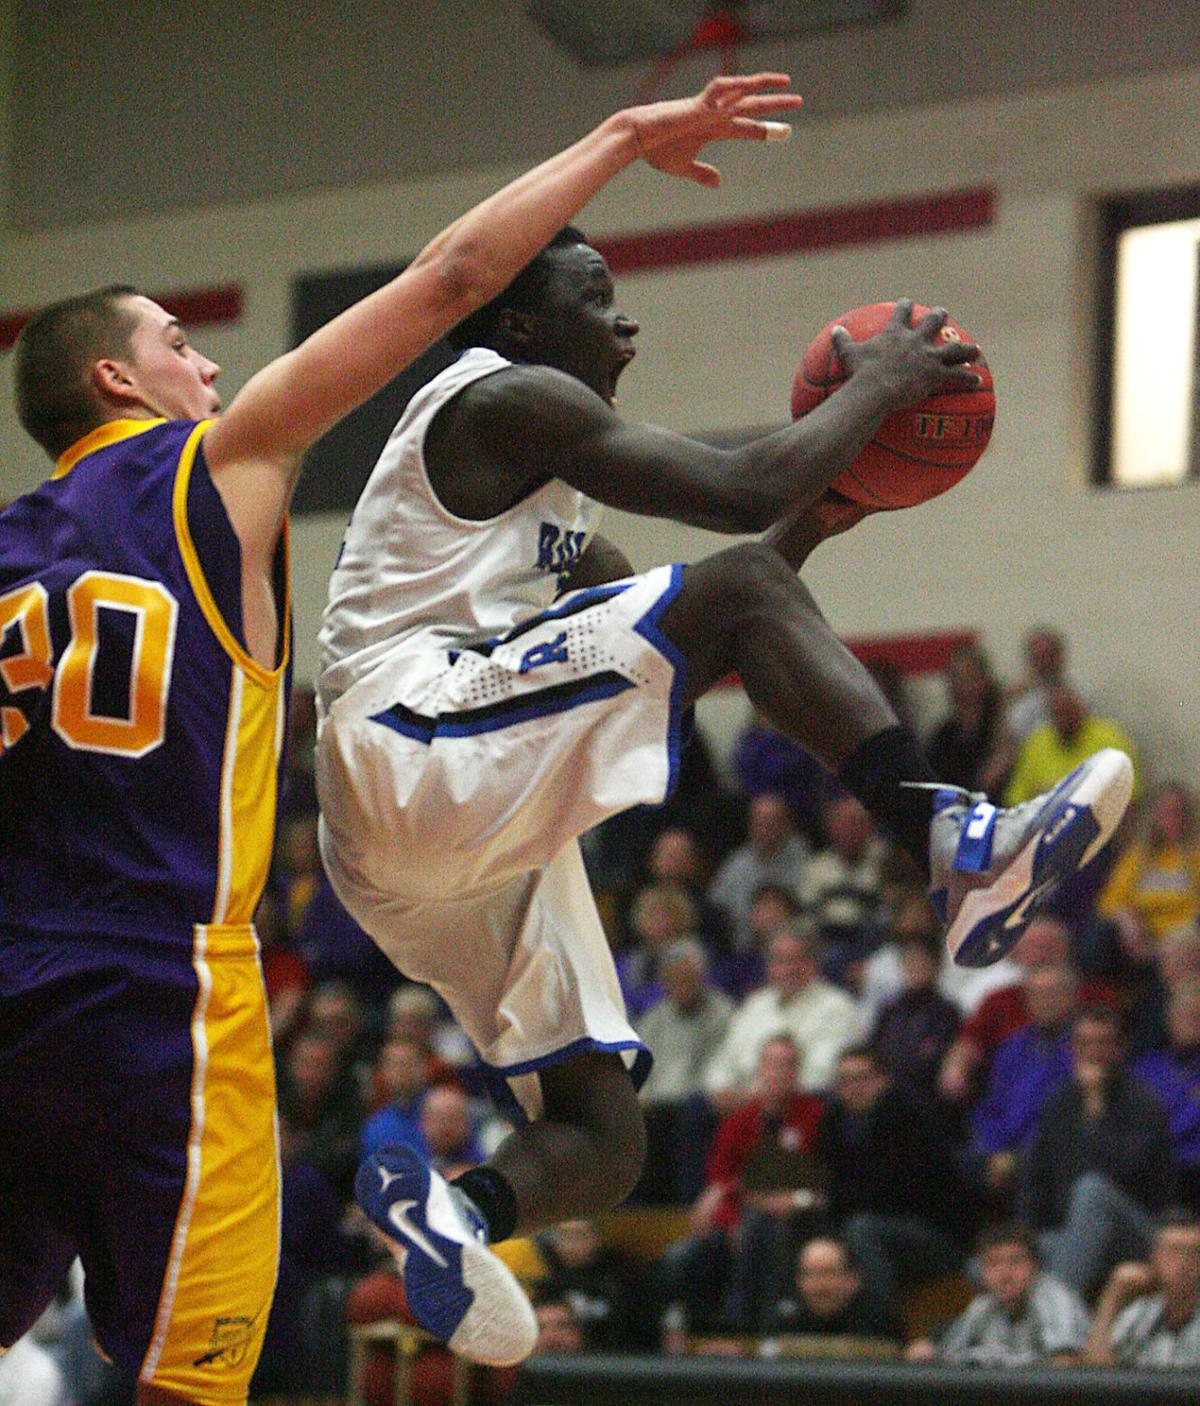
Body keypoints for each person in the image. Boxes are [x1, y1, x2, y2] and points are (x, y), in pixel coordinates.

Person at [0, 72, 809, 1406]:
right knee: (191, 1381)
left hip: (17, 992)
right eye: (174, 343)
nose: (206, 364)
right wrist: (615, 137)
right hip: (161, 997)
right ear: (115, 377)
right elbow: (449, 281)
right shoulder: (213, 468)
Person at [316, 204, 1134, 1367]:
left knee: (606, 1138)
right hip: (411, 737)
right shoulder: (501, 392)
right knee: (740, 579)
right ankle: (952, 839)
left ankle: (458, 1214)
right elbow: (742, 500)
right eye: (596, 297)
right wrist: (879, 387)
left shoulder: (546, 510)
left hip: (411, 836)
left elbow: (692, 623)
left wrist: (824, 511)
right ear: (518, 317)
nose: (625, 319)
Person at [1019, 1005, 1173, 1297]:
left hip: (1140, 1232)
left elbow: (1120, 1171)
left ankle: (1057, 1318)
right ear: (1072, 1048)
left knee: (1092, 1190)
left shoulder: (1144, 1103)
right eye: (1084, 1043)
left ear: (1119, 1048)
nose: (1093, 1052)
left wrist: (1095, 1109)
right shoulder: (1059, 1102)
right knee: (995, 1260)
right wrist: (1023, 1239)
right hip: (1075, 1234)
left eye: (1103, 1042)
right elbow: (1034, 1178)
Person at [906, 1221, 1088, 1368]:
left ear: (1035, 1267)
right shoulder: (984, 1305)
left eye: (1015, 1261)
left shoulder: (1055, 1297)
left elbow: (1065, 1364)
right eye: (993, 1263)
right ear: (981, 1272)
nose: (1005, 1274)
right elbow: (945, 1356)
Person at [1084, 1211, 1200, 1367]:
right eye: (1174, 1252)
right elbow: (1096, 1371)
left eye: (1194, 1254)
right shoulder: (1140, 1313)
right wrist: (1113, 1295)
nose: (1184, 1264)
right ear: (1154, 1258)